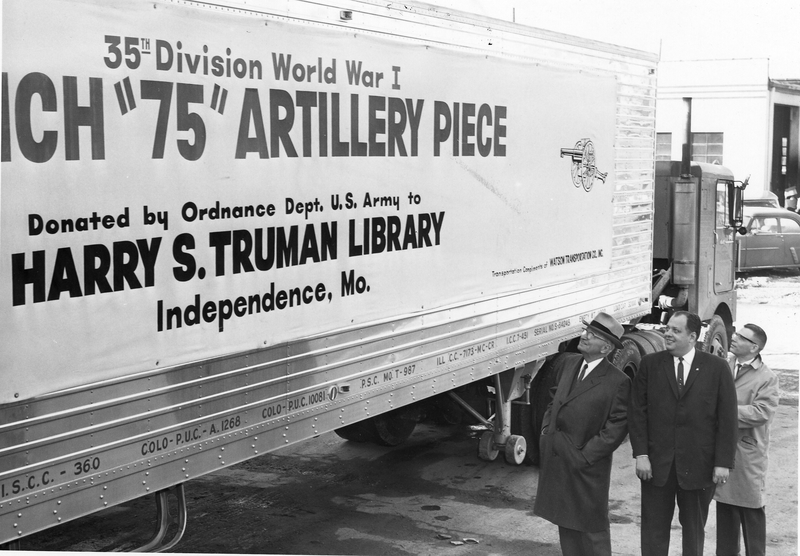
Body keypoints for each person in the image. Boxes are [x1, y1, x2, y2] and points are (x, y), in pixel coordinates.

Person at [628, 311, 738, 556]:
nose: (667, 333)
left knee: (693, 532)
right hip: (657, 466)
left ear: (692, 336)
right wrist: (641, 454)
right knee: (653, 531)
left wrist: (723, 462)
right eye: (667, 328)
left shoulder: (717, 368)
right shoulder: (650, 364)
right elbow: (637, 413)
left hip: (700, 466)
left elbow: (728, 419)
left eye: (675, 330)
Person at [534, 312, 631, 556]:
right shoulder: (569, 363)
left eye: (593, 335)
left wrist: (586, 456)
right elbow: (553, 398)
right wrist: (547, 432)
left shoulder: (618, 381)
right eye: (587, 331)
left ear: (606, 347)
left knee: (591, 529)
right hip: (558, 457)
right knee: (565, 521)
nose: (585, 336)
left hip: (587, 466)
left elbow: (617, 426)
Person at [714, 324, 779, 556]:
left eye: (741, 337)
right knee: (725, 510)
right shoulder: (724, 366)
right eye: (736, 333)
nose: (733, 337)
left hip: (747, 453)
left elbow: (762, 413)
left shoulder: (766, 377)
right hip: (723, 450)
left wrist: (725, 411)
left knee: (751, 509)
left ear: (754, 347)